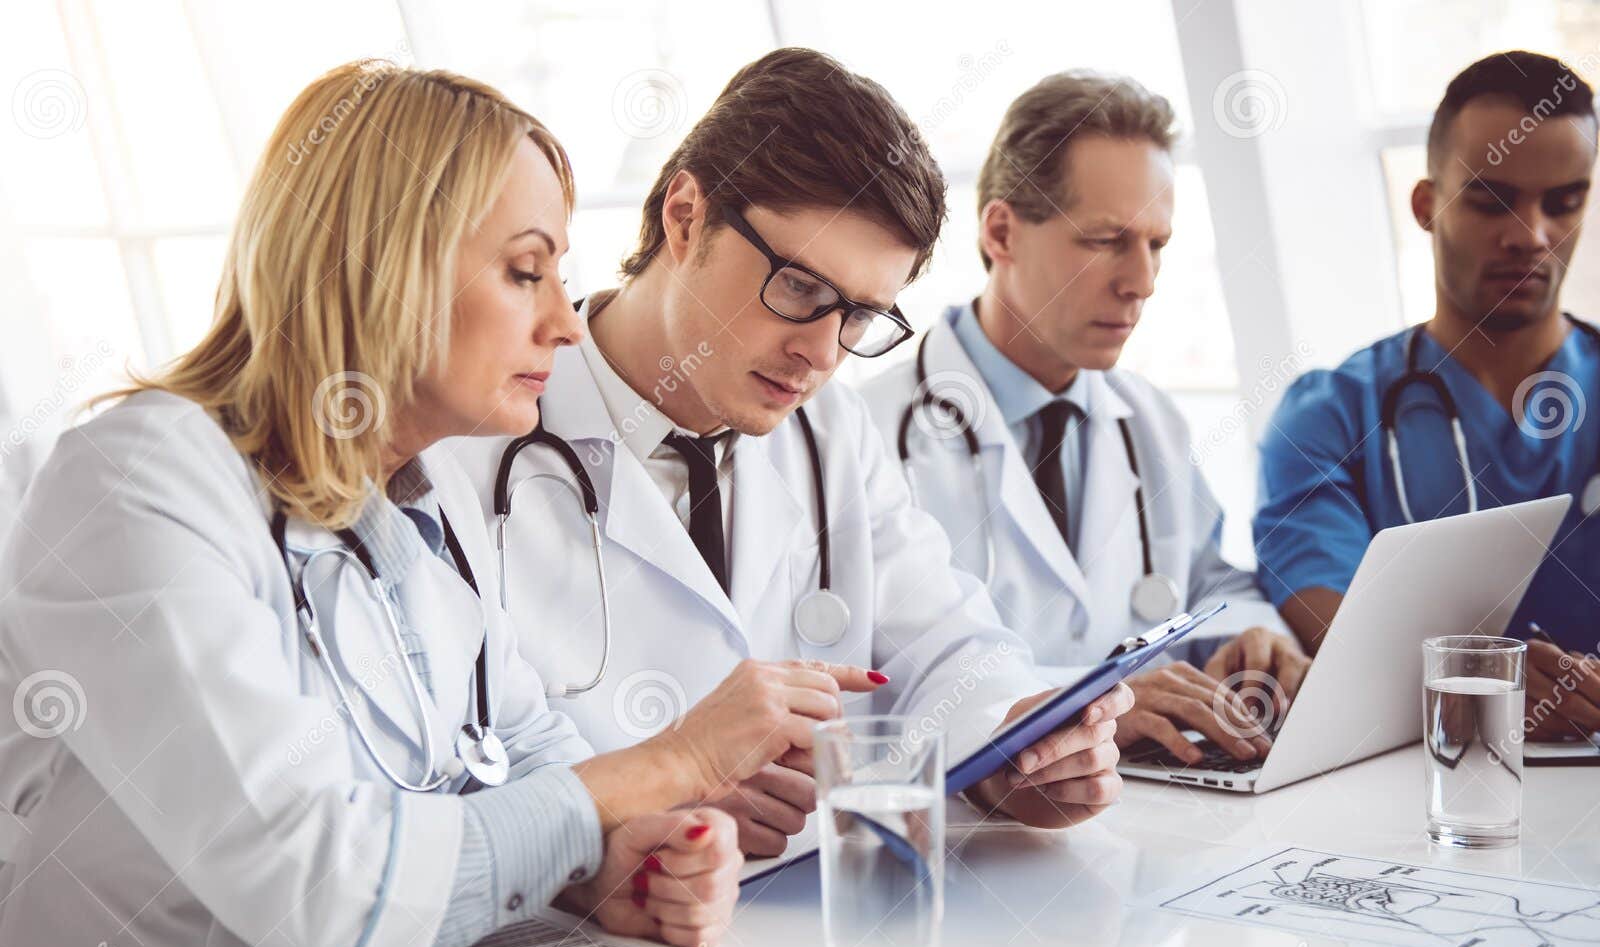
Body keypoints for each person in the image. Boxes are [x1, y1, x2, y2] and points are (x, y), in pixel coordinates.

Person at [0, 61, 857, 947]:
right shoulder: (140, 477)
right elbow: (323, 884)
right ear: (380, 262)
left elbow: (526, 749)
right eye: (526, 272)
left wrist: (610, 864)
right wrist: (678, 762)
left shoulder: (409, 502)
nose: (567, 325)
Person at [453, 48, 1134, 856]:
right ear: (684, 215)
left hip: (807, 932)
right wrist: (645, 804)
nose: (822, 353)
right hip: (586, 942)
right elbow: (456, 768)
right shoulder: (476, 438)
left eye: (859, 316)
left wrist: (1015, 742)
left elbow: (944, 639)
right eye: (801, 291)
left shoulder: (830, 432)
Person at [861, 71, 1307, 768]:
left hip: (1155, 813)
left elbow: (1210, 579)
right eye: (1106, 241)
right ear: (1002, 232)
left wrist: (1253, 634)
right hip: (972, 831)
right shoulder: (869, 431)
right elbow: (871, 683)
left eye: (1157, 245)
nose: (1142, 282)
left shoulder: (1148, 419)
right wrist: (1097, 702)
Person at [1253, 51, 1599, 739]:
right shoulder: (1326, 415)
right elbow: (1341, 639)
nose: (1530, 236)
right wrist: (1493, 681)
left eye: (1563, 203)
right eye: (1491, 199)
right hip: (1416, 806)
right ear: (1425, 204)